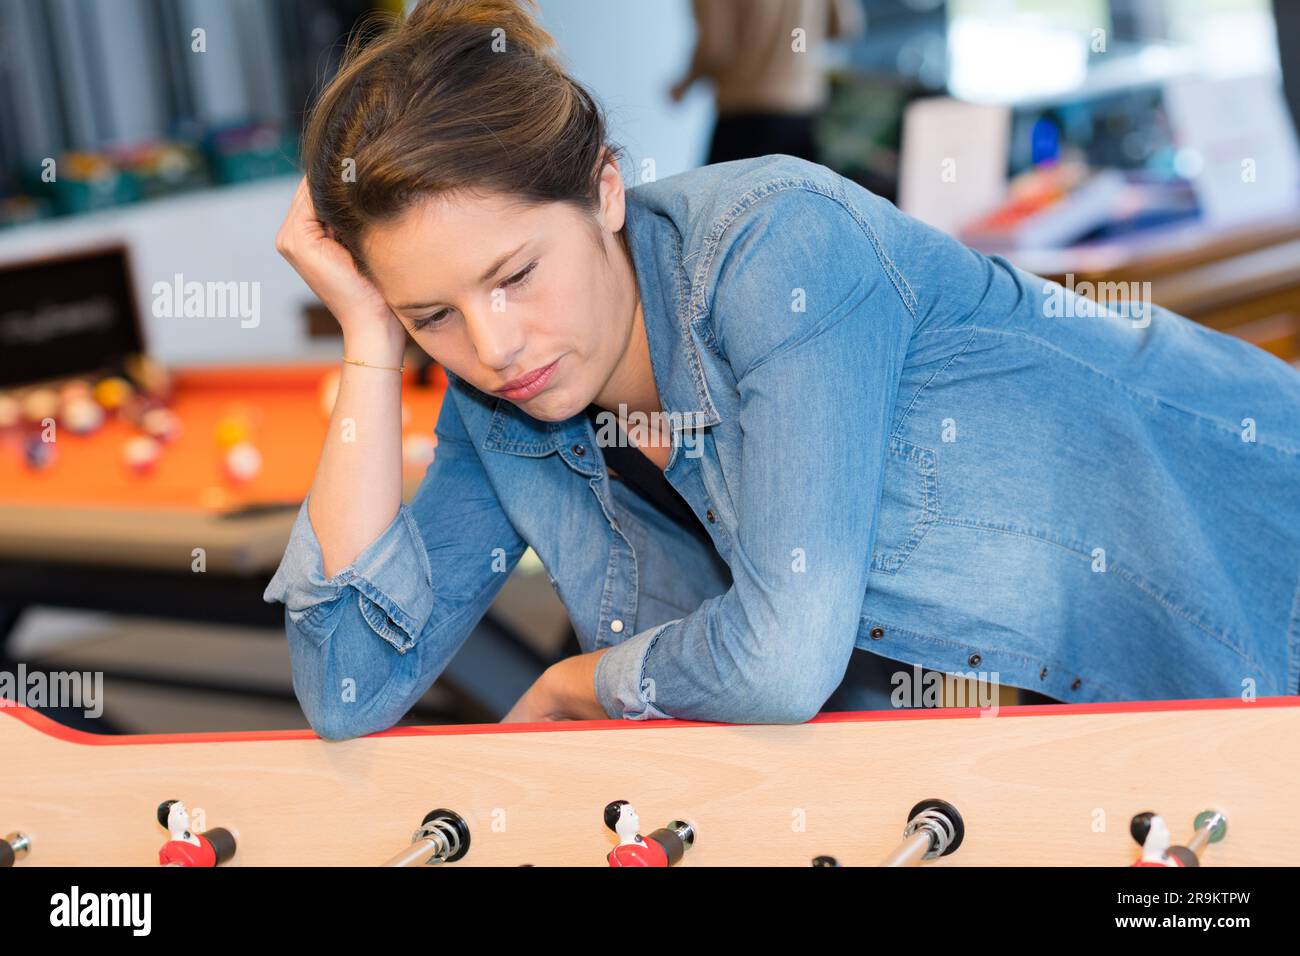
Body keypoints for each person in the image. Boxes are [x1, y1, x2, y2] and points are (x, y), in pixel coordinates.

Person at [265, 0, 1300, 740]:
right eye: (431, 313)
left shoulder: (777, 246)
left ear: (605, 191)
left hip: (1256, 543)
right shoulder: (502, 403)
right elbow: (349, 688)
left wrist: (586, 679)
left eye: (516, 274)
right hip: (1108, 716)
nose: (493, 347)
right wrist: (367, 338)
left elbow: (781, 657)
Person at [669, 0, 866, 164]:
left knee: (720, 206)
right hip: (803, 112)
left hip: (745, 113)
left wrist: (685, 85)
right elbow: (844, 27)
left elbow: (715, 49)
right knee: (801, 204)